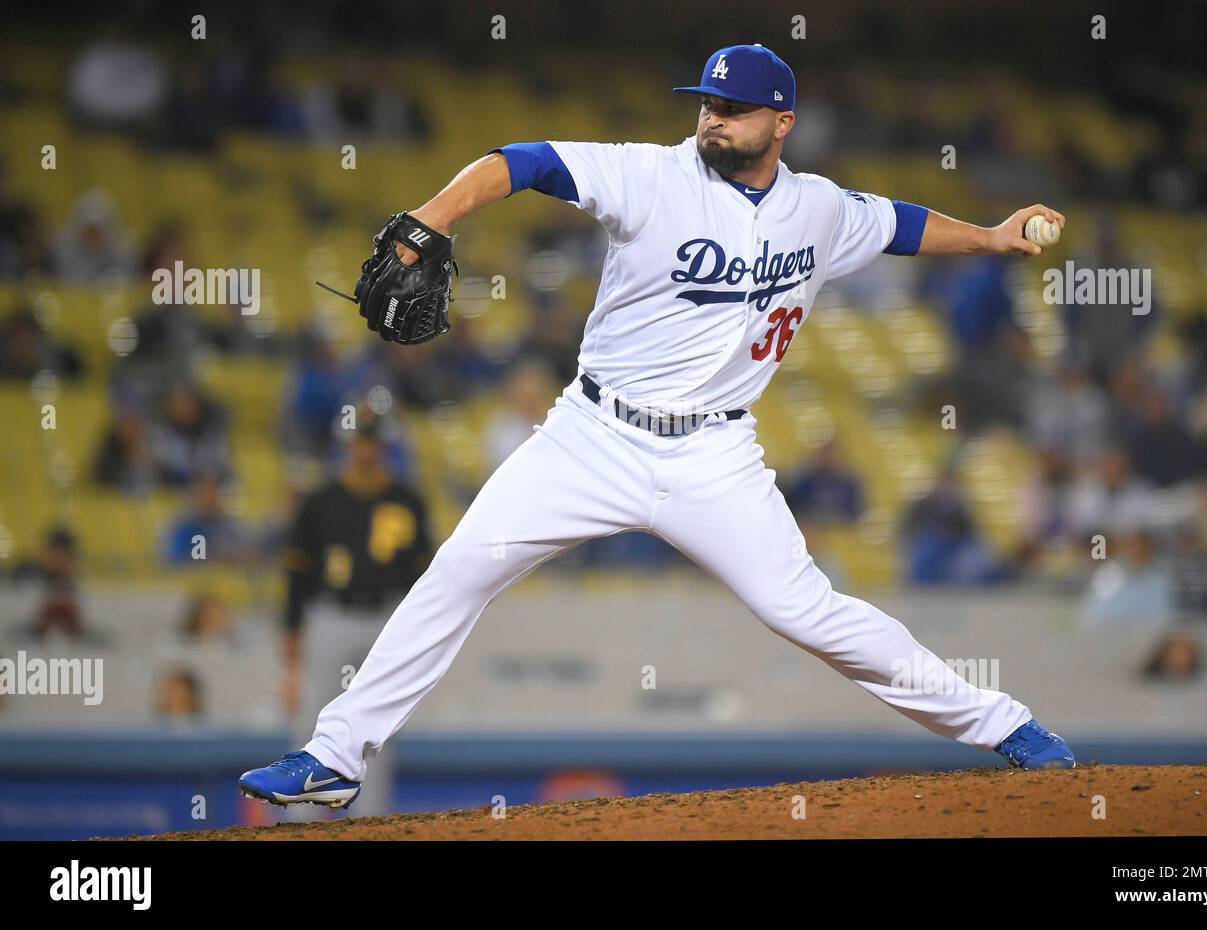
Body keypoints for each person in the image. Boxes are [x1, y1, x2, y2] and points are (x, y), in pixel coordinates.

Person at [241, 44, 1076, 810]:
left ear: (781, 123)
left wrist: (993, 238)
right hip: (591, 436)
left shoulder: (817, 208)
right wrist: (435, 216)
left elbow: (899, 223)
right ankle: (336, 754)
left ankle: (1008, 729)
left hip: (715, 453)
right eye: (706, 102)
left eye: (734, 107)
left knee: (808, 612)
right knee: (460, 570)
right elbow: (521, 162)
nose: (713, 116)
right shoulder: (647, 175)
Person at [275, 411, 433, 815]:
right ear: (346, 444)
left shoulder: (406, 499)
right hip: (331, 616)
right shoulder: (320, 501)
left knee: (378, 728)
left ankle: (368, 822)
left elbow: (424, 577)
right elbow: (297, 576)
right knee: (313, 718)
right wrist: (291, 644)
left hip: (386, 619)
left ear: (383, 445)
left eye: (371, 439)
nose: (364, 448)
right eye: (359, 439)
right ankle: (300, 820)